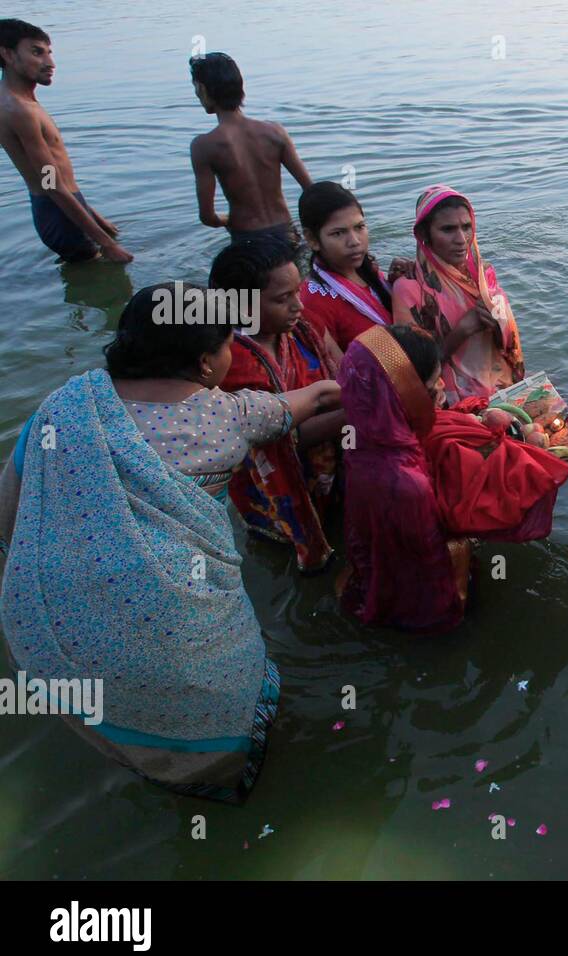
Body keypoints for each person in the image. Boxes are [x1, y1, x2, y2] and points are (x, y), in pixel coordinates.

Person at [0, 282, 338, 802]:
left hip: (51, 633)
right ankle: (218, 783)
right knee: (221, 701)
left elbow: (11, 515)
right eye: (228, 343)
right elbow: (310, 399)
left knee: (114, 705)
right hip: (176, 646)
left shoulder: (64, 407)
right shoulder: (227, 418)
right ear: (205, 362)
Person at [337, 325, 568, 632]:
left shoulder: (366, 435)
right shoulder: (407, 483)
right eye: (433, 384)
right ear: (404, 395)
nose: (443, 388)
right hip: (418, 594)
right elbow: (430, 567)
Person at [210, 237, 345, 572]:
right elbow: (285, 434)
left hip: (324, 466)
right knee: (283, 545)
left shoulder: (301, 329)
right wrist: (363, 410)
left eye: (298, 291)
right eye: (283, 299)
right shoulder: (232, 362)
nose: (298, 305)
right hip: (270, 488)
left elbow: (340, 369)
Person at [0, 19, 132, 263]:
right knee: (105, 286)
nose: (50, 63)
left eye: (49, 53)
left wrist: (95, 217)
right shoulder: (19, 110)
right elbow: (50, 182)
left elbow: (55, 177)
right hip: (59, 214)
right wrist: (107, 243)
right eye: (36, 52)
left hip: (64, 208)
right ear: (7, 54)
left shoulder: (20, 101)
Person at [391, 185, 525, 405]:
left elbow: (509, 345)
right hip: (452, 403)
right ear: (424, 234)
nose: (461, 239)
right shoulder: (409, 288)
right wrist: (463, 330)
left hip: (503, 389)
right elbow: (415, 372)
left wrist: (497, 321)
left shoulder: (482, 277)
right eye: (448, 229)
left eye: (466, 227)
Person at [189, 52, 311, 246]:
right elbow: (310, 190)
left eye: (195, 87)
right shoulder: (275, 132)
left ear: (203, 89)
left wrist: (228, 220)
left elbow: (207, 217)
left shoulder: (203, 146)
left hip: (248, 241)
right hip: (287, 235)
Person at [298, 181, 395, 351]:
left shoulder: (372, 273)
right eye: (338, 233)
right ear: (312, 239)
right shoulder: (314, 302)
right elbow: (336, 371)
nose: (355, 241)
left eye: (359, 227)